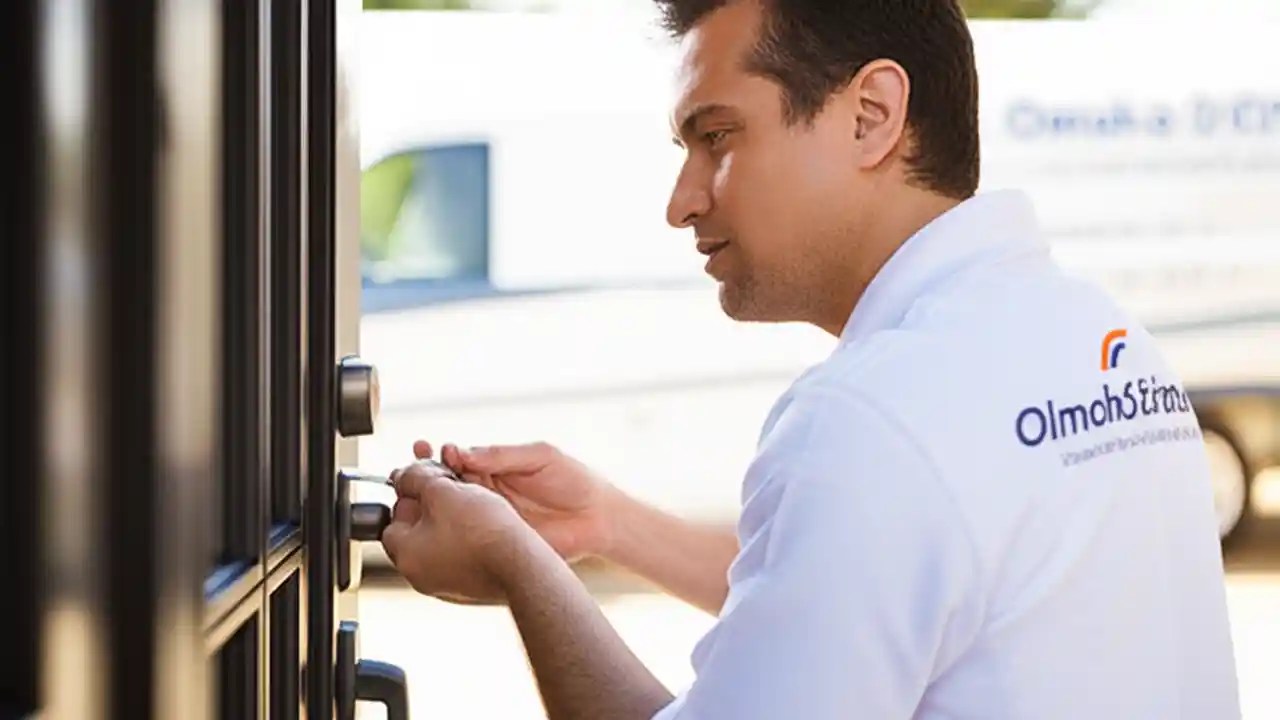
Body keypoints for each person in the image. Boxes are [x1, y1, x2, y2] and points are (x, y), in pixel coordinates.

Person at [380, 0, 1242, 717]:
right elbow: (863, 603)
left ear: (871, 116)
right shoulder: (1099, 339)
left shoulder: (871, 415)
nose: (682, 203)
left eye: (717, 136)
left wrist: (519, 569)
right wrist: (609, 524)